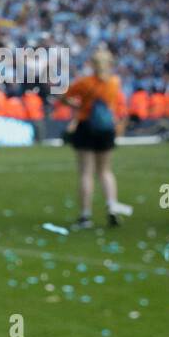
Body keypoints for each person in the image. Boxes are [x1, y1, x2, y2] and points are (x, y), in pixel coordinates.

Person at [65, 46, 128, 230]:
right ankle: (112, 207)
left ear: (93, 64)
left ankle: (85, 215)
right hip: (106, 128)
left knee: (86, 172)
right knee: (106, 171)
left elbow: (65, 97)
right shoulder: (115, 82)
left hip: (86, 126)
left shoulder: (84, 83)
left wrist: (76, 105)